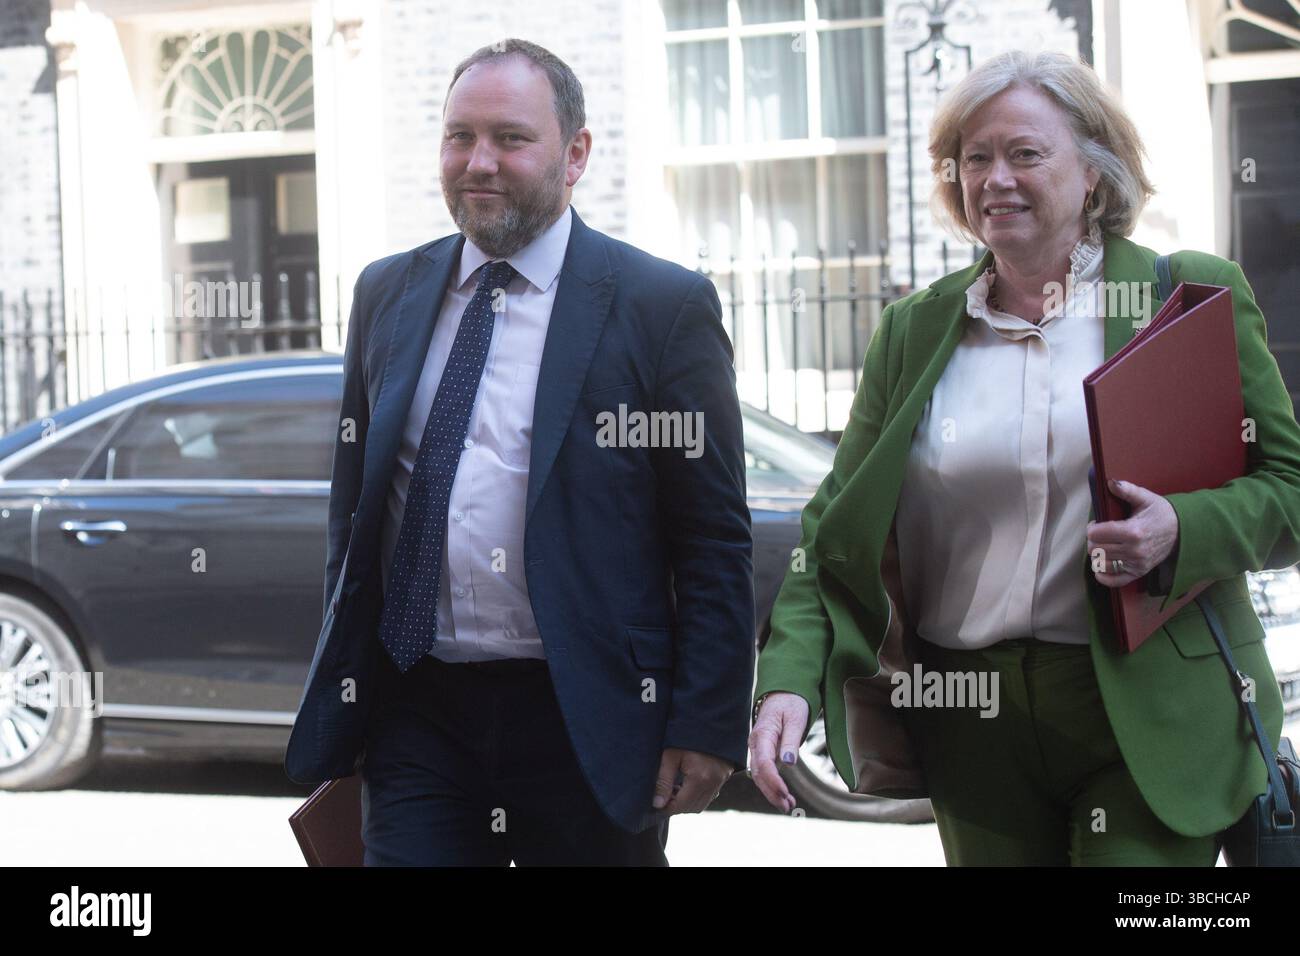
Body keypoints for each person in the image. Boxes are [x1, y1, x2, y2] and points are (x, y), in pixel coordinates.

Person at [749, 50, 1300, 866]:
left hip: (1150, 707)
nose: (995, 178)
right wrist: (788, 680)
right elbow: (833, 535)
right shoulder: (914, 330)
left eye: (1025, 154)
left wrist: (1180, 530)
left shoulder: (1183, 299)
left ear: (1093, 174)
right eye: (975, 158)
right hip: (970, 715)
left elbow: (1287, 491)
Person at [285, 38, 754, 866]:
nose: (479, 162)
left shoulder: (662, 306)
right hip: (417, 712)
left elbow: (712, 536)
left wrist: (706, 723)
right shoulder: (385, 292)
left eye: (510, 137)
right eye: (459, 136)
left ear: (575, 155)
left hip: (590, 718)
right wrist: (349, 691)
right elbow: (354, 515)